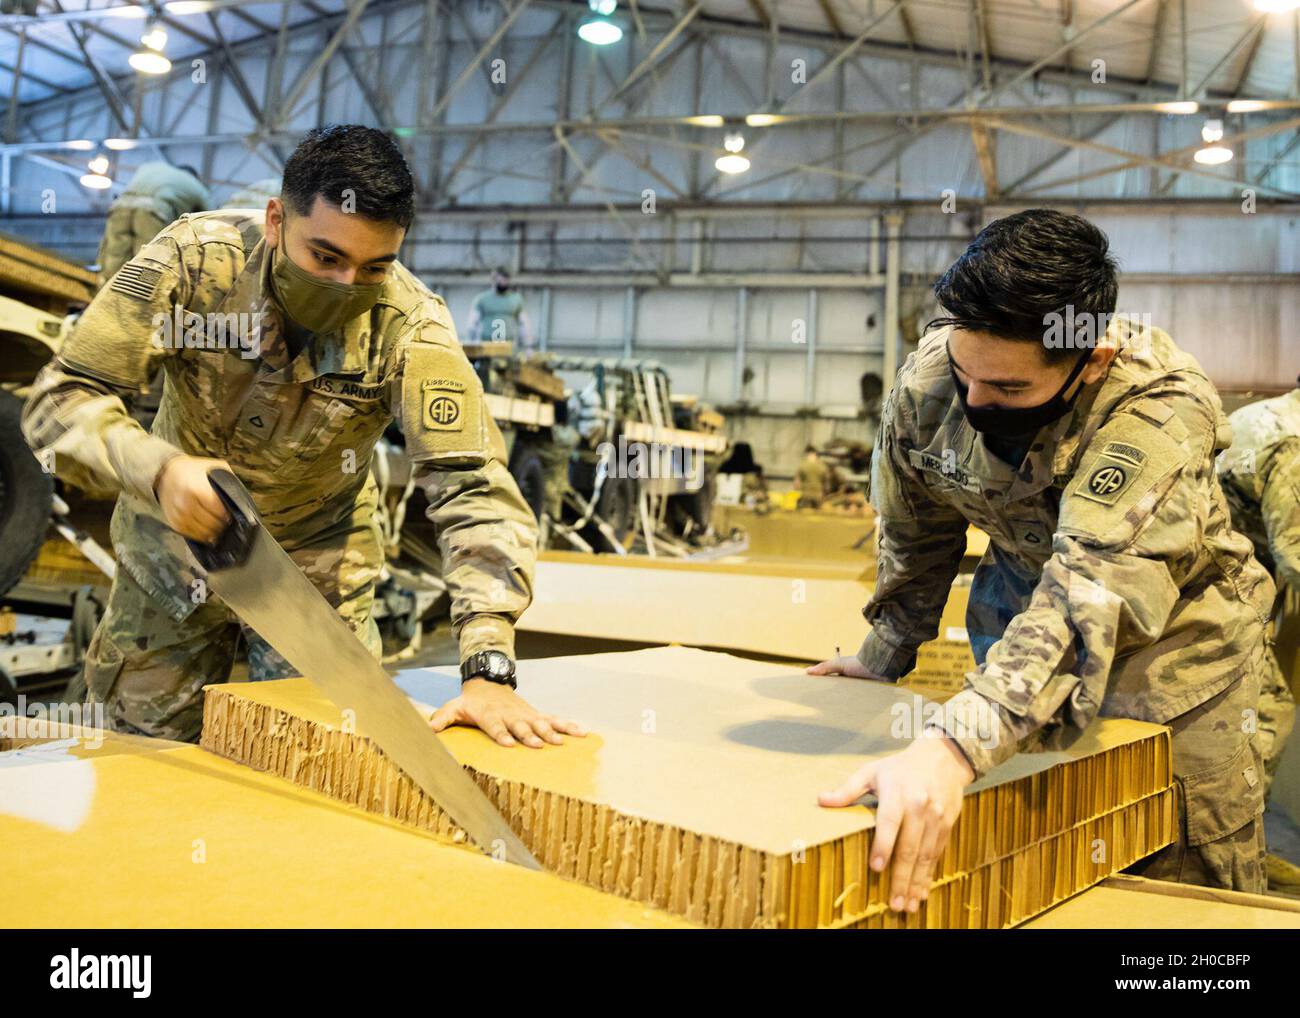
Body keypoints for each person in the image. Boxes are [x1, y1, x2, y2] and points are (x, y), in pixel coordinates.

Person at [24, 125, 581, 750]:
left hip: (315, 579)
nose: (346, 286)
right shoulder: (192, 264)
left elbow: (473, 488)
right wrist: (156, 469)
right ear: (274, 221)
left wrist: (488, 667)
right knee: (129, 765)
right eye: (325, 257)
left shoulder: (412, 327)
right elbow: (58, 399)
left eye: (374, 266)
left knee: (323, 775)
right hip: (169, 554)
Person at [808, 209, 1275, 911]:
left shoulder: (1158, 407)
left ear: (1091, 361)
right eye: (967, 375)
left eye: (1008, 390)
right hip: (1021, 647)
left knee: (1178, 890)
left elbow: (1090, 589)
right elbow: (917, 526)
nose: (975, 401)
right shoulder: (935, 378)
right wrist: (886, 651)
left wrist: (953, 746)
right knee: (1034, 862)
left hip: (1179, 668)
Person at [1217, 381, 1300, 889]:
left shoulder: (1269, 415)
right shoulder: (1291, 443)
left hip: (1233, 591)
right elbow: (1298, 557)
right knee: (1263, 712)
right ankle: (1230, 867)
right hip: (1228, 603)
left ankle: (1247, 849)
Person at [96, 161, 210, 289]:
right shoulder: (197, 186)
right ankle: (138, 302)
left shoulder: (150, 166)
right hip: (153, 211)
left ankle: (106, 300)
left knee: (114, 258)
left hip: (120, 207)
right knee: (147, 262)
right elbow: (209, 219)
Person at [466, 267, 533, 350]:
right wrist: (472, 344)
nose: (503, 282)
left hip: (508, 346)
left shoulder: (516, 299)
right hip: (486, 346)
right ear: (494, 279)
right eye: (501, 279)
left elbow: (524, 324)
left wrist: (528, 346)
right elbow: (472, 324)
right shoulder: (482, 299)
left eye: (506, 279)